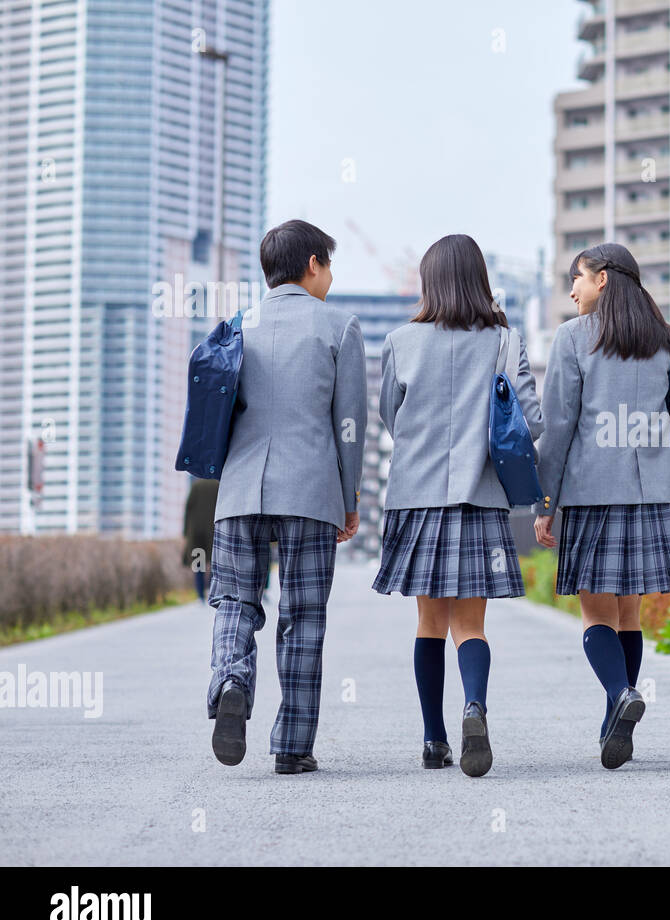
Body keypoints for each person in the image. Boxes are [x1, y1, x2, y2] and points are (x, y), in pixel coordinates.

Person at [533, 242, 670, 769]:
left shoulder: (572, 338)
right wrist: (655, 439)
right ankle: (621, 708)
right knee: (629, 611)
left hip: (593, 492)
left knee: (594, 613)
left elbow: (559, 427)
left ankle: (620, 695)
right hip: (652, 493)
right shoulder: (669, 341)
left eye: (578, 278)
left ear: (604, 279)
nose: (573, 290)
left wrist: (546, 501)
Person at [371, 234, 543, 778]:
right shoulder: (503, 341)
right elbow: (530, 420)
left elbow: (388, 417)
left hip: (417, 500)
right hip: (480, 497)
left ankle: (433, 739)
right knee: (471, 626)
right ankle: (475, 706)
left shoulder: (400, 341)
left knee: (428, 623)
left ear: (429, 281)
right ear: (479, 279)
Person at [206, 219, 367, 775]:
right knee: (303, 616)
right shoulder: (339, 326)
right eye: (330, 264)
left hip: (239, 490)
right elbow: (349, 424)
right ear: (313, 265)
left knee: (235, 600)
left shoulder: (235, 326)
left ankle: (230, 680)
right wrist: (349, 498)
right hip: (310, 490)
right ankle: (292, 746)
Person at [183, 477, 219, 601]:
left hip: (196, 532)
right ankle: (212, 591)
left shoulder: (196, 486)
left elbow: (188, 509)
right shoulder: (218, 485)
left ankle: (200, 594)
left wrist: (185, 531)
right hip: (214, 530)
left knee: (199, 563)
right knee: (215, 562)